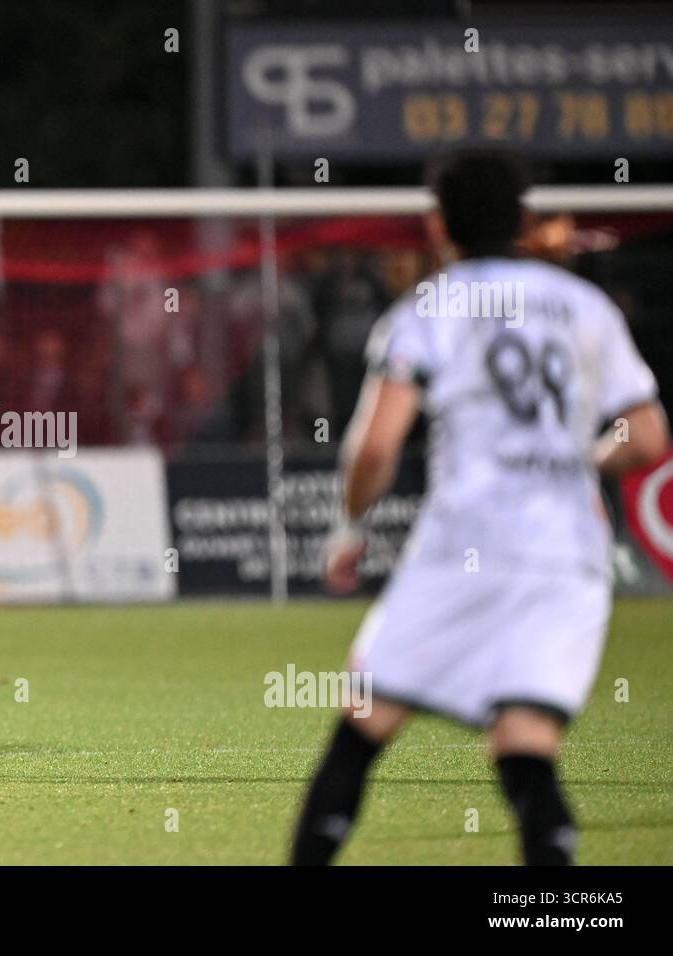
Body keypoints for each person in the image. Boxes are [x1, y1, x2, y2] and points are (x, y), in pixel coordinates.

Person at [291, 150, 669, 865]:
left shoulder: (430, 309)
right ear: (526, 221)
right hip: (570, 551)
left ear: (438, 226)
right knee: (526, 745)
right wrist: (573, 463)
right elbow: (647, 435)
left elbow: (375, 447)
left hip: (469, 539)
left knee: (365, 724)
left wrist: (351, 526)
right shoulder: (584, 306)